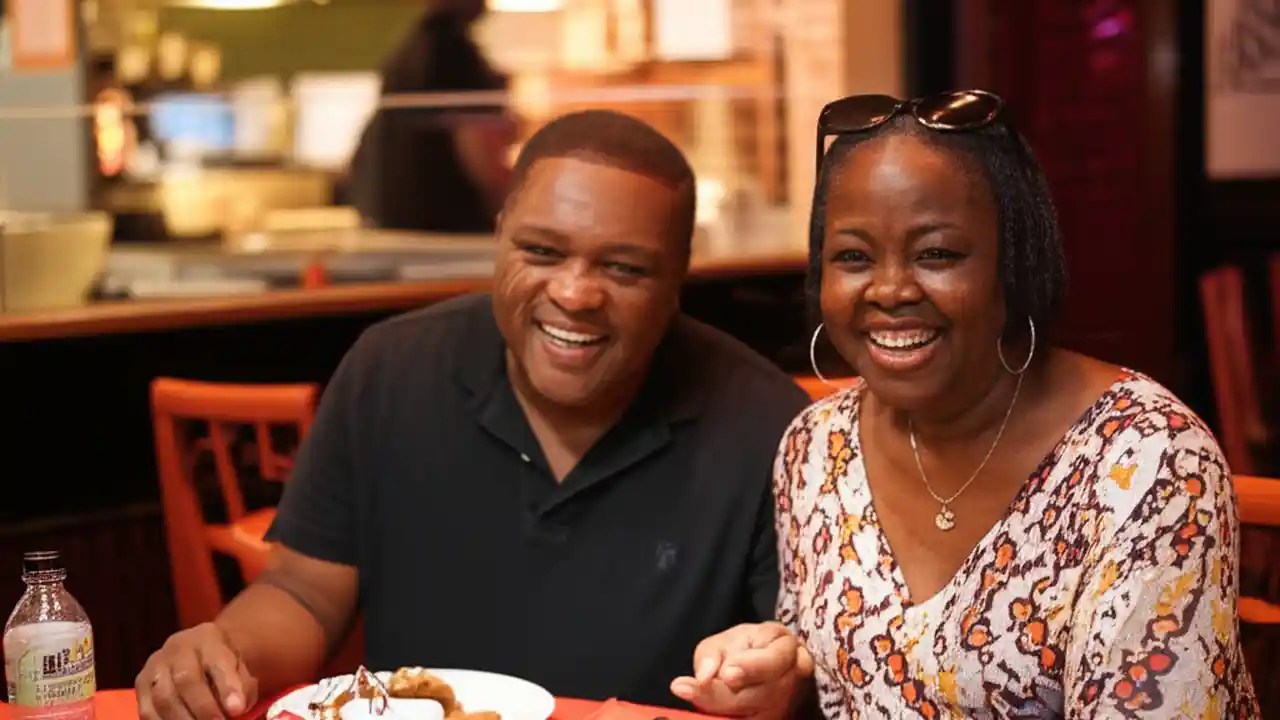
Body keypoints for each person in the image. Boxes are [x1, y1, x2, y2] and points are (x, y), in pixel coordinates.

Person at [135, 109, 810, 720]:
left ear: (678, 280)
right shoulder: (390, 370)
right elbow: (303, 594)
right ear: (499, 239)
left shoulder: (767, 424)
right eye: (541, 252)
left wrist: (775, 682)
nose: (575, 294)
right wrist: (223, 651)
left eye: (626, 269)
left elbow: (799, 667)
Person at [676, 90, 1260, 718]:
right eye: (853, 257)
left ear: (1016, 266)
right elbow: (840, 685)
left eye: (937, 254)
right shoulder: (815, 448)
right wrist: (783, 684)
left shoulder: (1149, 462)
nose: (891, 289)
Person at [346, 0, 514, 233]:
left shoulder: (407, 53)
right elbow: (479, 150)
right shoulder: (454, 54)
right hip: (448, 228)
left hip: (396, 224)